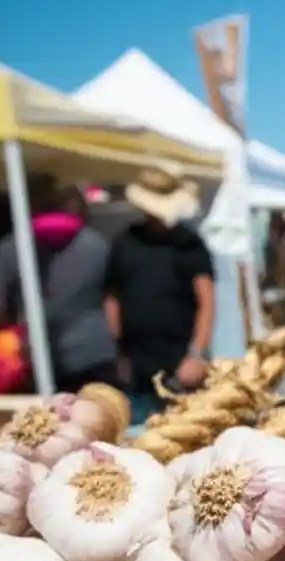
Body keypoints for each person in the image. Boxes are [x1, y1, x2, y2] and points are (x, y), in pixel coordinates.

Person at [0, 177, 117, 392]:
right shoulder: (97, 244)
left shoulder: (9, 248)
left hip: (34, 356)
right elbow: (113, 302)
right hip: (93, 355)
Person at [105, 165, 214, 423]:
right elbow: (112, 298)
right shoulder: (126, 241)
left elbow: (206, 301)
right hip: (136, 362)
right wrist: (118, 350)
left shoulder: (189, 244)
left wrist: (196, 354)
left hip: (180, 361)